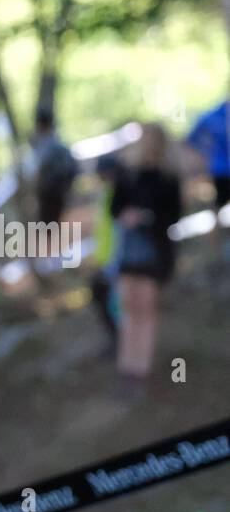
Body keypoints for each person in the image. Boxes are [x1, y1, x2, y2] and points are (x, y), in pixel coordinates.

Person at [111, 122, 182, 398]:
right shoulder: (128, 173)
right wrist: (126, 216)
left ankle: (140, 368)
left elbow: (172, 216)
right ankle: (127, 367)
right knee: (128, 306)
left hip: (155, 252)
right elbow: (114, 207)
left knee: (146, 308)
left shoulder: (168, 177)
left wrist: (147, 219)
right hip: (129, 252)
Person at [87, 153, 123, 355]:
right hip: (108, 262)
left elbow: (118, 231)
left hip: (117, 263)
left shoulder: (119, 195)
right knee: (105, 300)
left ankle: (123, 344)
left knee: (116, 305)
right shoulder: (107, 194)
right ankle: (117, 341)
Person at [185, 98, 229, 258]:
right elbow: (191, 140)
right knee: (217, 210)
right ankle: (215, 253)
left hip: (220, 168)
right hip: (221, 171)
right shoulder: (213, 116)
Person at [28, 107, 78, 229]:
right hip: (56, 194)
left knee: (48, 228)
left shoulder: (46, 146)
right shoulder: (57, 145)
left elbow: (37, 169)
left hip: (49, 194)